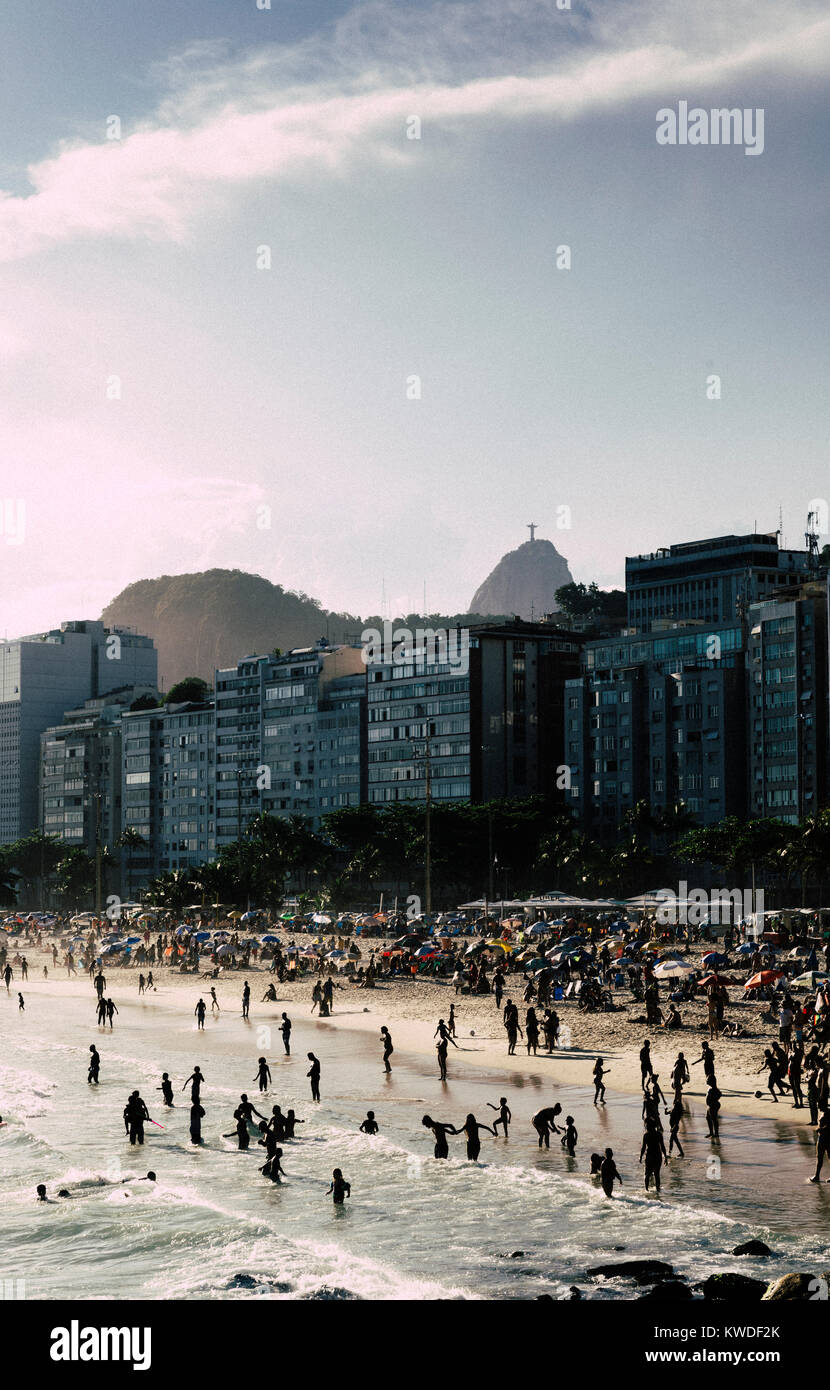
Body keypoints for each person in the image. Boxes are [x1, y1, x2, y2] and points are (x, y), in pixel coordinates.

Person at [640, 1122, 667, 1194]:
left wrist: (640, 1156)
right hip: (658, 1156)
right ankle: (658, 1190)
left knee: (647, 1174)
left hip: (649, 1156)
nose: (646, 1127)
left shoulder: (646, 1135)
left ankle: (646, 1190)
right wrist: (665, 1157)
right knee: (657, 1174)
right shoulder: (659, 1134)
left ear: (648, 1127)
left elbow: (643, 1147)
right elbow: (662, 1146)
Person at [809, 1107, 830, 1182]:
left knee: (822, 1157)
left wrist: (821, 1129)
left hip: (825, 1138)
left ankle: (817, 1176)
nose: (819, 1105)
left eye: (820, 1104)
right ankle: (817, 1176)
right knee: (821, 1157)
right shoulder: (824, 1112)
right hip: (822, 1137)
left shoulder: (828, 1113)